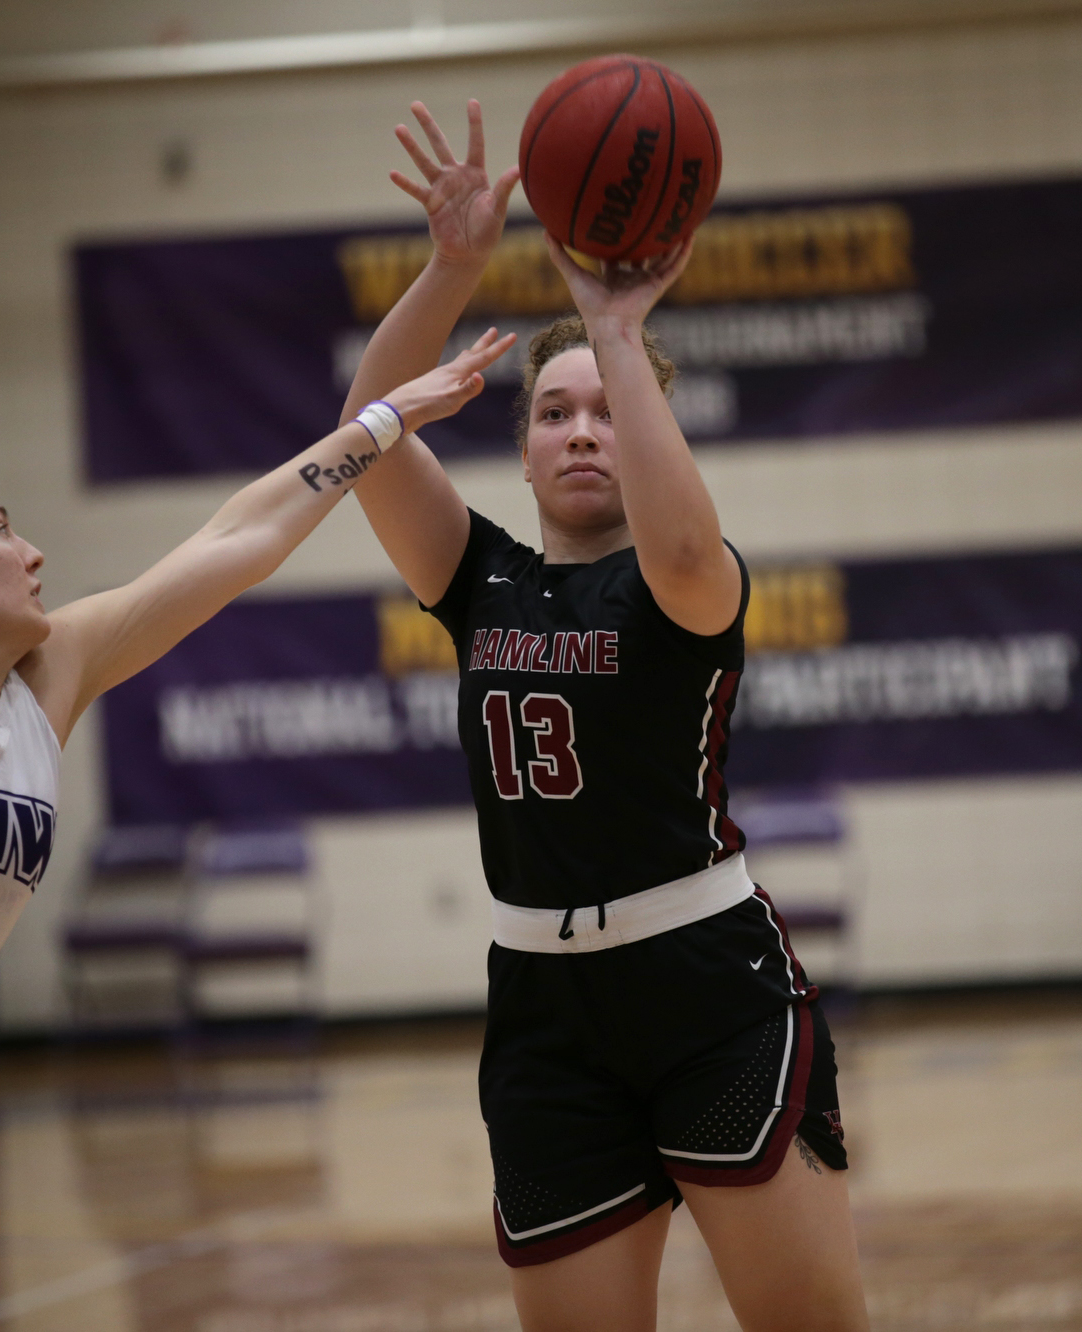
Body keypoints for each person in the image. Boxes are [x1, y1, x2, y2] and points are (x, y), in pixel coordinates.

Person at [342, 101, 869, 1332]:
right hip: (541, 1006)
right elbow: (365, 431)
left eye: (603, 411)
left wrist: (613, 327)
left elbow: (680, 531)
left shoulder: (689, 579)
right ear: (519, 454)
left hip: (707, 985)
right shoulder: (478, 581)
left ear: (645, 434)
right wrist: (454, 267)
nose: (580, 430)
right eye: (550, 414)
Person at [0, 333, 514, 978]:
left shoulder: (45, 680)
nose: (33, 554)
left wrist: (385, 422)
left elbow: (239, 537)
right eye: (0, 529)